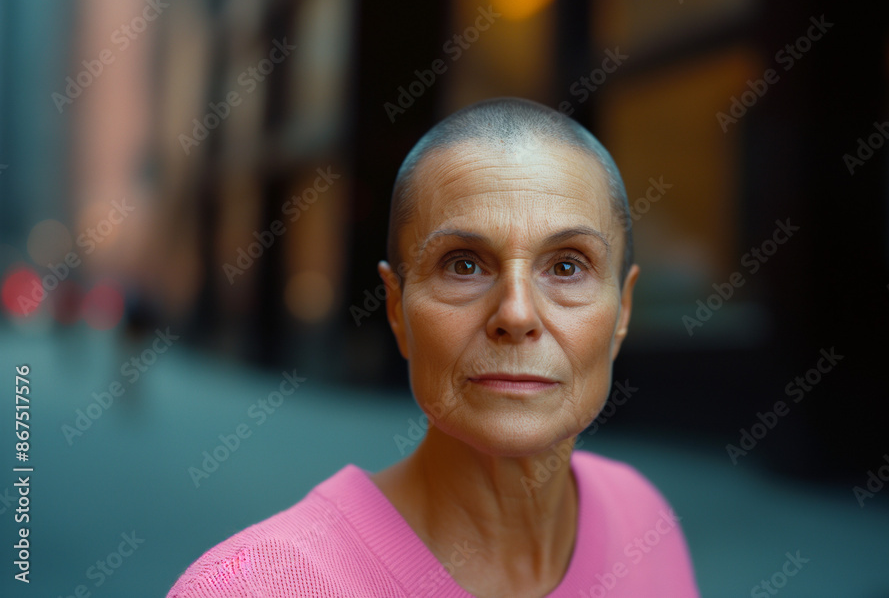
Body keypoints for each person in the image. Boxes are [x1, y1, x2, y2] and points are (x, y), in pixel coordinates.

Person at [167, 97, 700, 597]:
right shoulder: (259, 586)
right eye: (464, 264)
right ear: (397, 310)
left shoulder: (644, 518)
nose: (516, 314)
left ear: (623, 311)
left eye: (566, 266)